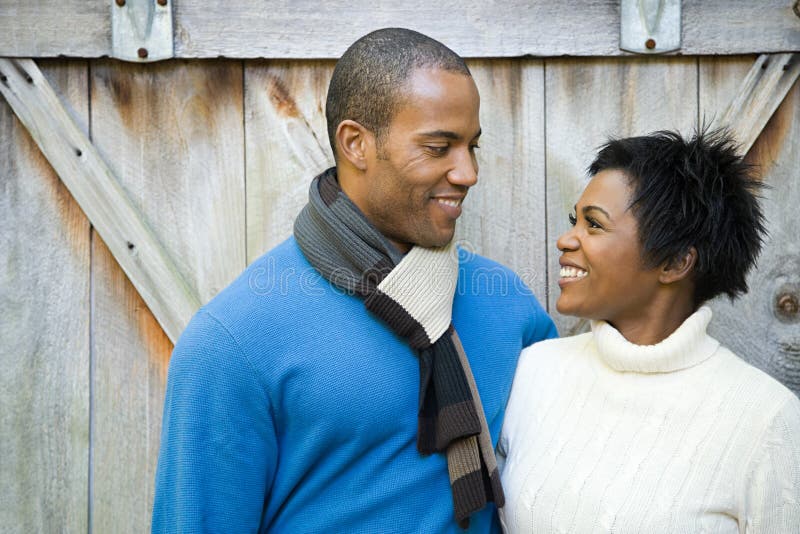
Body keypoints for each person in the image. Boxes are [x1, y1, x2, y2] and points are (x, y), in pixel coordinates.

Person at [152, 28, 556, 533]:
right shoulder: (234, 341)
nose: (468, 172)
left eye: (472, 146)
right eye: (439, 147)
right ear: (355, 143)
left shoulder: (510, 310)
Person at [498, 129, 800, 533]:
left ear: (675, 263)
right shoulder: (534, 372)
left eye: (594, 225)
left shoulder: (766, 421)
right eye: (576, 220)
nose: (566, 239)